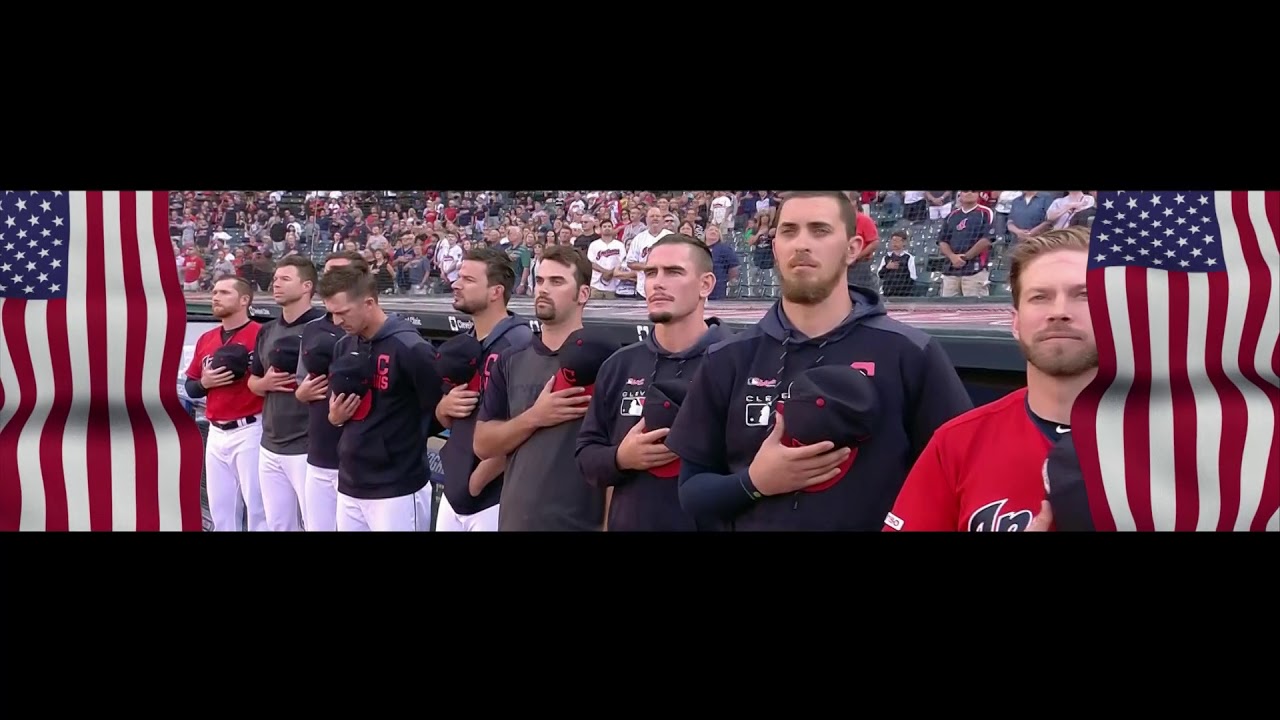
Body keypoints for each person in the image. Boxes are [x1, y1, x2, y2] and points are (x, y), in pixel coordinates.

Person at [665, 191, 973, 531]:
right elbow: (692, 494)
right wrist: (754, 482)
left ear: (853, 248)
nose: (801, 244)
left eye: (820, 230)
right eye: (789, 231)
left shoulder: (910, 352)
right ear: (775, 247)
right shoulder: (728, 358)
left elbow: (962, 480)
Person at [883, 227, 1095, 532]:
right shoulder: (958, 442)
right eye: (1040, 297)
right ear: (1016, 323)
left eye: (1084, 295)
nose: (1059, 312)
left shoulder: (1168, 443)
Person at [575, 235, 731, 531]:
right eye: (650, 273)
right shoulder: (619, 365)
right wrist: (621, 458)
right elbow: (586, 457)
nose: (658, 283)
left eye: (673, 272)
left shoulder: (738, 361)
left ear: (706, 284)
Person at [473, 245, 606, 531]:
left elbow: (615, 463)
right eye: (540, 280)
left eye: (557, 281)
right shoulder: (511, 359)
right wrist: (535, 417)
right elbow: (483, 445)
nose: (543, 289)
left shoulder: (608, 363)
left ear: (583, 294)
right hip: (515, 521)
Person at [317, 265, 445, 531]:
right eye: (331, 313)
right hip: (350, 482)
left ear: (369, 303)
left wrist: (397, 442)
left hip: (397, 487)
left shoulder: (411, 347)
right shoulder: (344, 345)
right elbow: (335, 407)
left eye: (343, 312)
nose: (337, 321)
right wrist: (335, 417)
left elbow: (438, 411)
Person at [435, 247, 535, 532]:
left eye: (468, 279)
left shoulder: (520, 343)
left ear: (495, 292)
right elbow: (447, 419)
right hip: (454, 492)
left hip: (493, 500)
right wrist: (443, 407)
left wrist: (477, 481)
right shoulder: (466, 342)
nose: (456, 284)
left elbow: (529, 426)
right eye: (459, 277)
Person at [246, 256, 326, 531]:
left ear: (307, 286)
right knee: (277, 524)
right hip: (270, 442)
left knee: (316, 524)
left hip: (308, 445)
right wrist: (264, 384)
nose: (276, 284)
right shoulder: (267, 330)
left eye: (285, 279)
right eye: (275, 278)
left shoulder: (324, 328)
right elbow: (253, 381)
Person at [183, 276, 267, 532]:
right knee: (221, 510)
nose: (216, 297)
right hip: (216, 432)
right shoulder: (207, 338)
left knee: (259, 509)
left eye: (224, 293)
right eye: (215, 292)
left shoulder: (262, 334)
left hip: (252, 427)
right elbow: (191, 386)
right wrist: (205, 383)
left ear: (244, 300)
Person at [294, 251, 367, 532]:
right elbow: (301, 381)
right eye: (326, 272)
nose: (330, 278)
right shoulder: (313, 328)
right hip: (320, 451)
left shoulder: (378, 329)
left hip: (363, 458)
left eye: (339, 272)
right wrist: (300, 393)